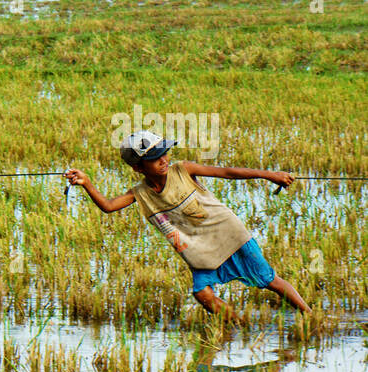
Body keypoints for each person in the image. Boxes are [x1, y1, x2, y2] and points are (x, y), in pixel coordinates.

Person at [64, 130, 310, 316]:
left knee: (268, 280)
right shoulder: (140, 192)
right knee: (202, 293)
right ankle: (238, 325)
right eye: (155, 158)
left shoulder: (183, 170)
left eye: (164, 153)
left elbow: (227, 173)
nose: (164, 160)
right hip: (198, 250)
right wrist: (86, 183)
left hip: (230, 235)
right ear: (138, 168)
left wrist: (270, 175)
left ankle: (308, 314)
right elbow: (108, 207)